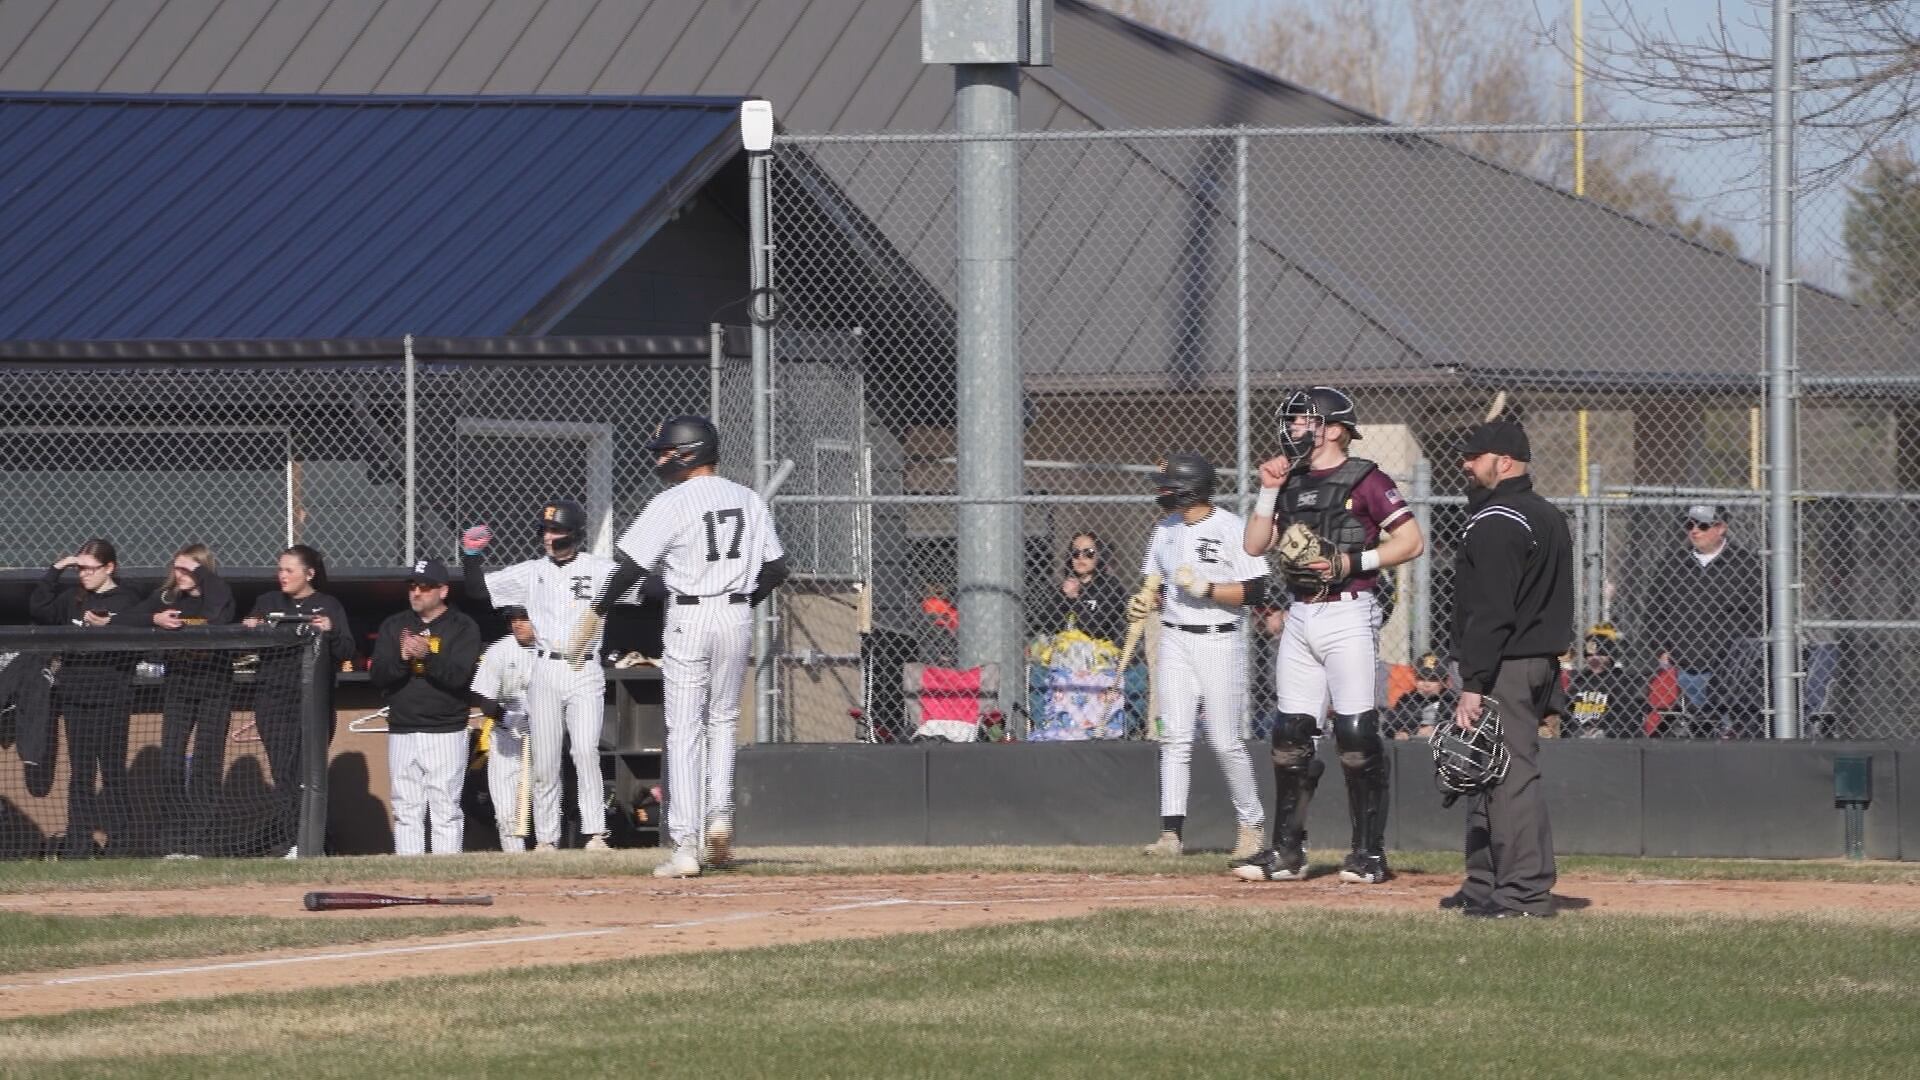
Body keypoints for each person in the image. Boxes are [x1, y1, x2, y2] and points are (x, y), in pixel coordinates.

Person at [1235, 387, 1425, 885]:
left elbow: (1411, 540)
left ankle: (1368, 854)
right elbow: (1255, 544)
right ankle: (1286, 852)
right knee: (1290, 735)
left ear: (1335, 429)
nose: (1293, 428)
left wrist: (1351, 561)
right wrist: (1269, 489)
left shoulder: (1366, 478)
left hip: (1348, 611)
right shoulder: (1289, 481)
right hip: (1301, 614)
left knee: (1356, 734)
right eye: (1292, 420)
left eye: (1304, 420)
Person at [588, 415, 788, 878]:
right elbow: (777, 570)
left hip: (690, 614)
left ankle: (685, 844)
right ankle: (720, 817)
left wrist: (599, 606)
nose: (660, 458)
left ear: (689, 451)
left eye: (667, 451)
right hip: (736, 613)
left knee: (682, 729)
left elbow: (632, 567)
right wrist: (742, 601)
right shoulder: (749, 497)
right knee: (723, 721)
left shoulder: (671, 500)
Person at [1445, 420, 1573, 918]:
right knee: (1479, 770)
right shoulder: (1543, 514)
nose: (1465, 464)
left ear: (1504, 462)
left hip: (1506, 666)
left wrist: (1474, 681)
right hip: (1529, 661)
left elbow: (1493, 610)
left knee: (1509, 776)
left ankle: (1523, 892)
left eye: (1474, 457)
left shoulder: (1499, 519)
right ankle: (1485, 882)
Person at [460, 499, 638, 851]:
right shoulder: (532, 571)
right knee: (545, 755)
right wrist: (470, 556)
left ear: (574, 533)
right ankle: (546, 838)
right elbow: (479, 590)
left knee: (585, 751)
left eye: (555, 530)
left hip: (584, 665)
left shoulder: (599, 568)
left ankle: (595, 833)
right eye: (544, 530)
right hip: (543, 666)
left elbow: (639, 586)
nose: (548, 537)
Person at [1132, 453, 1269, 861]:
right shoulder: (1166, 529)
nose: (1164, 493)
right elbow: (1156, 582)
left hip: (1219, 640)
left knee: (1225, 741)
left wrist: (1209, 589)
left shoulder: (1231, 528)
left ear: (1191, 488)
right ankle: (1170, 834)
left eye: (1171, 486)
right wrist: (1146, 601)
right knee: (1174, 736)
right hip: (1175, 639)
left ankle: (1251, 824)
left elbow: (1257, 591)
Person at [30, 539, 142, 859]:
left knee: (112, 770)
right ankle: (77, 846)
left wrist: (110, 623)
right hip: (75, 695)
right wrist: (56, 569)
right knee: (81, 773)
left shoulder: (126, 598)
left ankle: (120, 845)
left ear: (110, 568)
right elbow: (38, 608)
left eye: (91, 569)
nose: (84, 575)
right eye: (79, 569)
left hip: (111, 696)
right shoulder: (73, 598)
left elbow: (139, 627)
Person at [243, 544, 356, 858]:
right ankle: (292, 839)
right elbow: (246, 642)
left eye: (289, 570)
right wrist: (252, 628)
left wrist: (330, 631)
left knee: (307, 775)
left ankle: (316, 842)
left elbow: (348, 650)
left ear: (309, 573)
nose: (282, 576)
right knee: (284, 775)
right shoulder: (267, 603)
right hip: (273, 701)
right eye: (280, 570)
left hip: (313, 704)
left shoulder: (328, 605)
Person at [370, 557, 482, 855]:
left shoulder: (462, 626)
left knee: (444, 806)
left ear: (442, 591)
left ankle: (446, 876)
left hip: (445, 729)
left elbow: (460, 677)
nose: (417, 592)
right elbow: (379, 676)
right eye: (413, 586)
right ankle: (410, 873)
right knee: (406, 807)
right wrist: (403, 658)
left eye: (425, 587)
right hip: (403, 728)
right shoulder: (395, 625)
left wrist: (427, 657)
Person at [134, 544, 236, 858]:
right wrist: (156, 618)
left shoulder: (217, 594)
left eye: (187, 570)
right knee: (171, 760)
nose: (179, 575)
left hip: (214, 687)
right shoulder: (168, 598)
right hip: (179, 686)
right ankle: (173, 842)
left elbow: (218, 611)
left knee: (207, 762)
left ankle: (200, 844)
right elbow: (129, 617)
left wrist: (200, 571)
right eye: (175, 568)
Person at [1642, 503, 1765, 738]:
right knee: (1698, 732)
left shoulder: (1746, 564)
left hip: (1733, 672)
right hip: (1687, 667)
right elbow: (1654, 612)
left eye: (1703, 525)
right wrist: (1661, 648)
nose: (1694, 531)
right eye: (1689, 525)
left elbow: (1762, 612)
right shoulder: (1673, 565)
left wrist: (1744, 652)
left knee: (1731, 734)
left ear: (1721, 528)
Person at [468, 606, 540, 853]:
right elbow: (485, 700)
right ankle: (515, 859)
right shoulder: (499, 651)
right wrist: (509, 718)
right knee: (507, 812)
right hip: (507, 735)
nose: (517, 624)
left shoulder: (555, 647)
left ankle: (547, 858)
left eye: (524, 618)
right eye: (513, 619)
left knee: (546, 804)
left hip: (545, 734)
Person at [1564, 623, 1640, 738]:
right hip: (1578, 735)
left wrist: (1606, 731)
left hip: (1607, 736)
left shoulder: (1620, 680)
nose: (1594, 657)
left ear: (1610, 656)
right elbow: (1567, 711)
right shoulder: (1579, 680)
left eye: (1601, 653)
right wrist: (1576, 731)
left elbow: (1628, 715)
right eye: (1590, 655)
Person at [1383, 652, 1457, 741]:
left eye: (1433, 679)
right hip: (1412, 746)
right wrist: (1403, 732)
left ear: (1445, 682)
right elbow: (1389, 724)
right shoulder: (1407, 700)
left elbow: (1458, 725)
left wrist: (1437, 730)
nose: (1426, 684)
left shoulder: (1451, 700)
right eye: (1421, 678)